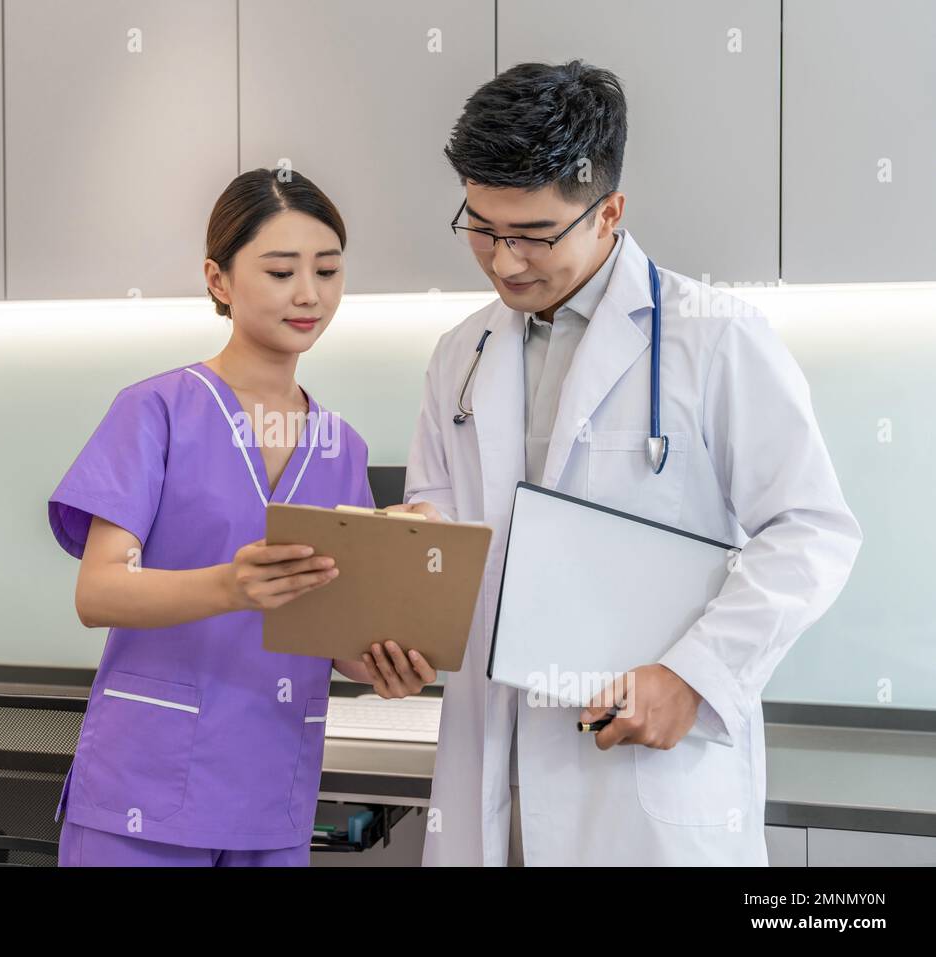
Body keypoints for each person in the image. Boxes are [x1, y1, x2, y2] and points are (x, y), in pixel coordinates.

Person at [393, 61, 862, 866]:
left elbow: (813, 530)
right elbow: (435, 522)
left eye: (534, 234)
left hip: (639, 789)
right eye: (482, 226)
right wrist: (401, 603)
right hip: (490, 780)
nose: (505, 262)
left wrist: (695, 675)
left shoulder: (714, 336)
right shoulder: (459, 355)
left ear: (608, 211)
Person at [48, 168, 437, 867]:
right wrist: (231, 585)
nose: (310, 293)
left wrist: (386, 663)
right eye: (282, 270)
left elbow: (327, 629)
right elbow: (98, 590)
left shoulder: (340, 445)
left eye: (328, 270)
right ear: (219, 280)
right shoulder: (158, 411)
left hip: (272, 796)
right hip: (146, 794)